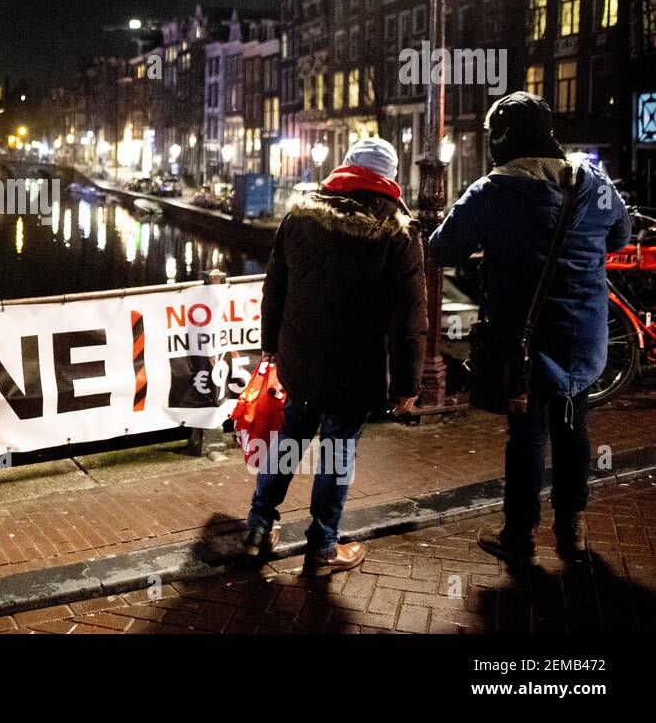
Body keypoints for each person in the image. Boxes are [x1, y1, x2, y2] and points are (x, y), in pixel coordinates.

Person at [430, 93, 630, 564]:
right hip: (585, 337)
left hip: (523, 339)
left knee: (526, 436)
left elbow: (442, 250)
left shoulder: (493, 190)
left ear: (501, 138)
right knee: (574, 425)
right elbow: (620, 236)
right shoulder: (592, 181)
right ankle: (573, 531)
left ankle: (519, 535)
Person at [245, 136, 426, 576]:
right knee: (336, 452)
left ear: (343, 170)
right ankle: (323, 546)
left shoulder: (300, 216)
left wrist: (270, 347)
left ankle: (257, 527)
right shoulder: (397, 233)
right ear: (389, 179)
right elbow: (409, 319)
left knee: (289, 441)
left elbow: (275, 290)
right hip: (354, 370)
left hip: (299, 362)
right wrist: (407, 385)